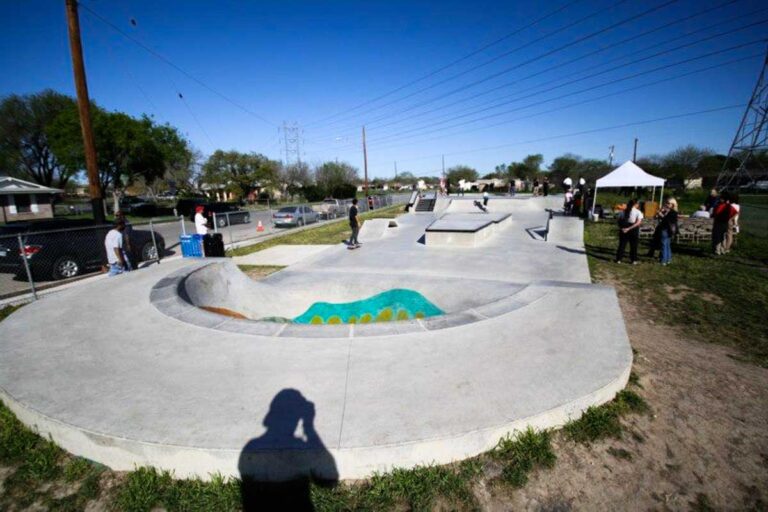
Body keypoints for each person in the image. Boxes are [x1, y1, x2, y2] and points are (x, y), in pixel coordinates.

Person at [615, 199, 643, 264]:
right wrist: (629, 228)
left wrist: (622, 228)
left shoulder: (623, 211)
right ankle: (633, 260)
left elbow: (619, 220)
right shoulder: (638, 212)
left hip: (624, 227)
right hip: (633, 229)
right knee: (633, 245)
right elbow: (638, 223)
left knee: (622, 245)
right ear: (636, 204)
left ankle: (619, 259)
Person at [712, 191, 736, 255]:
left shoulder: (719, 206)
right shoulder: (729, 206)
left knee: (717, 237)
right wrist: (730, 218)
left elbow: (716, 213)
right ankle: (723, 249)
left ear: (723, 199)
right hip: (726, 223)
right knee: (723, 237)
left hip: (719, 222)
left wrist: (715, 216)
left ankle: (717, 250)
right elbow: (735, 212)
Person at [657, 198, 678, 266]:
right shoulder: (669, 211)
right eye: (666, 203)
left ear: (673, 204)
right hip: (667, 229)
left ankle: (663, 260)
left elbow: (667, 220)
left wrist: (661, 215)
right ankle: (668, 259)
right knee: (667, 245)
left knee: (664, 245)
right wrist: (662, 213)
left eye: (668, 203)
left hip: (666, 229)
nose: (667, 204)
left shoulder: (673, 212)